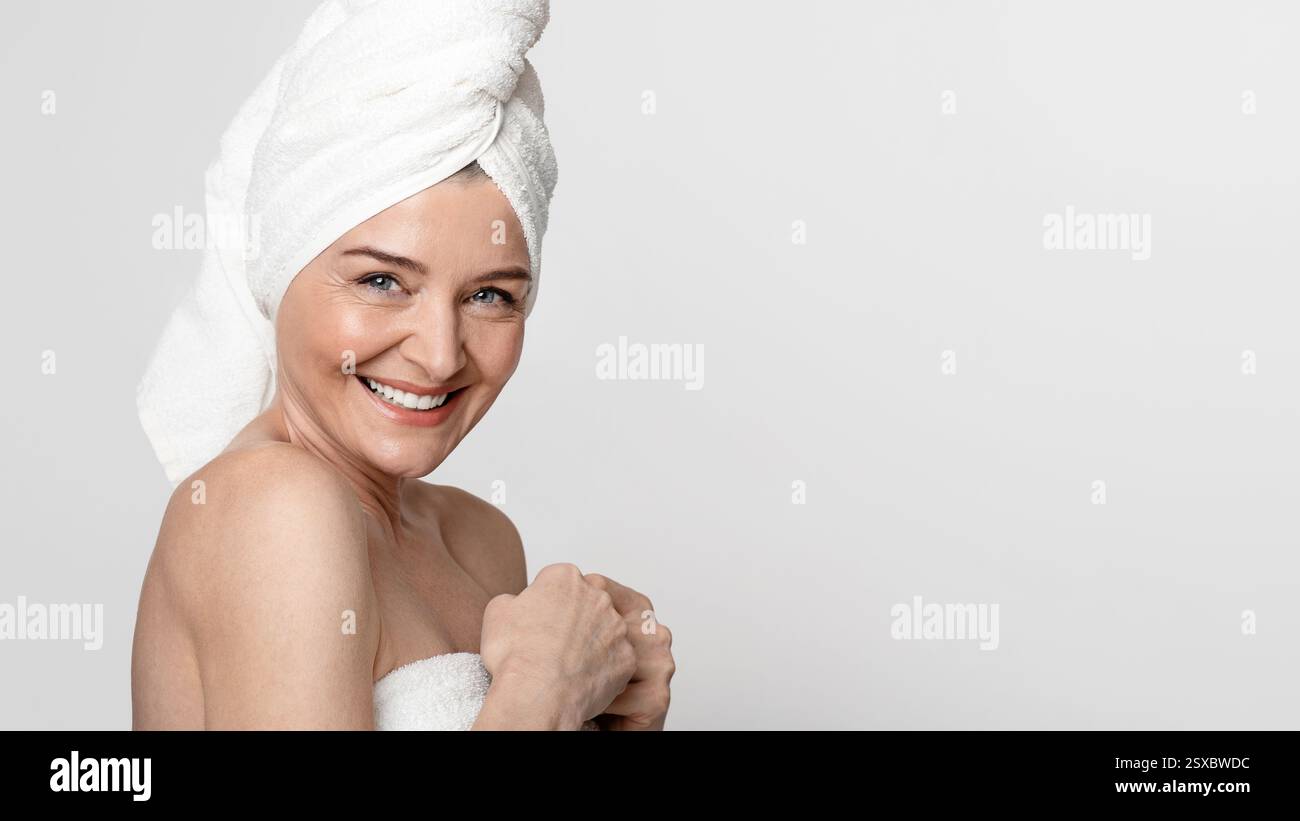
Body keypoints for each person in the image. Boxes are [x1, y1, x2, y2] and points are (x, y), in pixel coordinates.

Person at [130, 0, 673, 730]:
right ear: (280, 269)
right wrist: (544, 691)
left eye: (489, 294)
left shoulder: (482, 541)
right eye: (382, 281)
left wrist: (609, 709)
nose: (441, 353)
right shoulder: (274, 507)